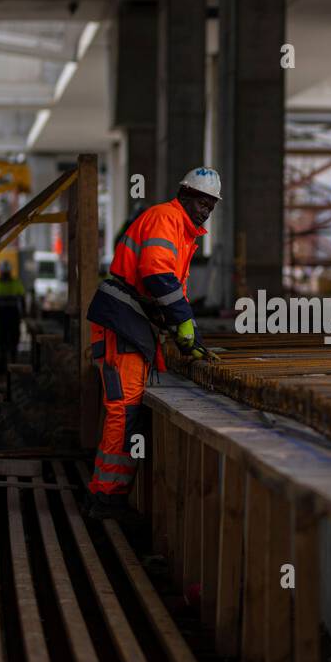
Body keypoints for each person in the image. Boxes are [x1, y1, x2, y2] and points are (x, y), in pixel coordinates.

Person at [84, 166, 222, 520]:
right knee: (123, 409)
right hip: (122, 321)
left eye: (211, 205)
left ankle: (109, 494)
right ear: (185, 195)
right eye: (201, 202)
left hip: (132, 323)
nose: (205, 210)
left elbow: (173, 289)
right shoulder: (165, 219)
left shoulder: (184, 234)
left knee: (127, 409)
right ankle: (105, 498)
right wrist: (184, 321)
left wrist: (184, 330)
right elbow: (156, 273)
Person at [0, 260, 26, 366]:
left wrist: (24, 314)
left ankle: (12, 360)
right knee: (3, 339)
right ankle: (3, 362)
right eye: (5, 273)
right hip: (3, 314)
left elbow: (22, 299)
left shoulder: (15, 283)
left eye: (6, 273)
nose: (5, 275)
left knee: (14, 338)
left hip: (11, 314)